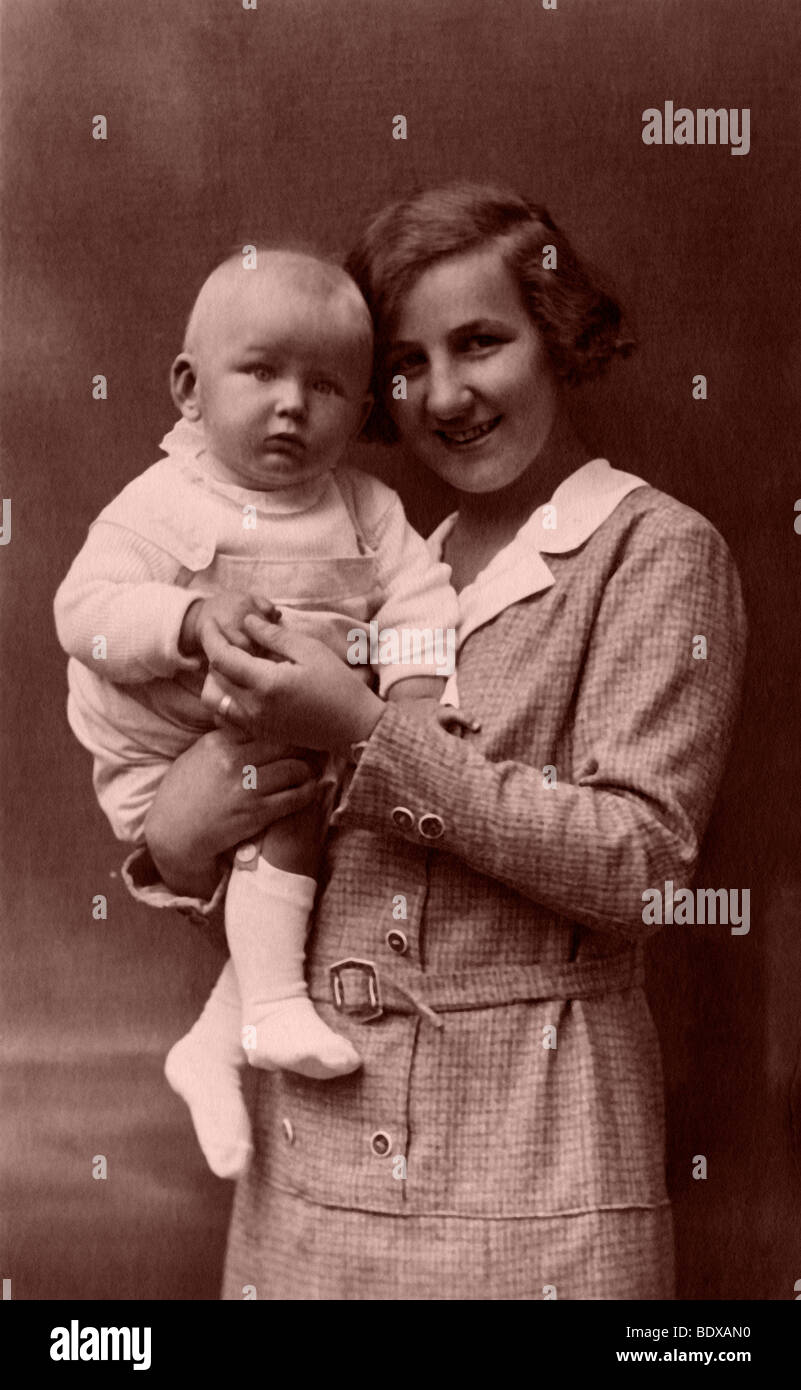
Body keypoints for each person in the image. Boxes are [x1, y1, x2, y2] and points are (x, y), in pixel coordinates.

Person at [131, 184, 747, 1299]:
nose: (445, 394)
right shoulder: (386, 560)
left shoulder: (654, 552)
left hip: (538, 1160)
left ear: (558, 337)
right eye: (407, 363)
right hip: (312, 1155)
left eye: (480, 343)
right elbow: (294, 854)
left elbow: (643, 866)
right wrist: (176, 851)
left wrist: (368, 730)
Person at [53, 248, 464, 1181]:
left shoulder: (365, 507)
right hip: (161, 752)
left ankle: (225, 1035)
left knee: (336, 850)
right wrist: (190, 619)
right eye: (262, 371)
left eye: (326, 387)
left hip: (290, 746)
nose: (292, 404)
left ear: (360, 416)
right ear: (189, 389)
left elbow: (418, 601)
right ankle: (264, 1008)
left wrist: (406, 698)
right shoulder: (165, 499)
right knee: (299, 819)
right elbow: (81, 611)